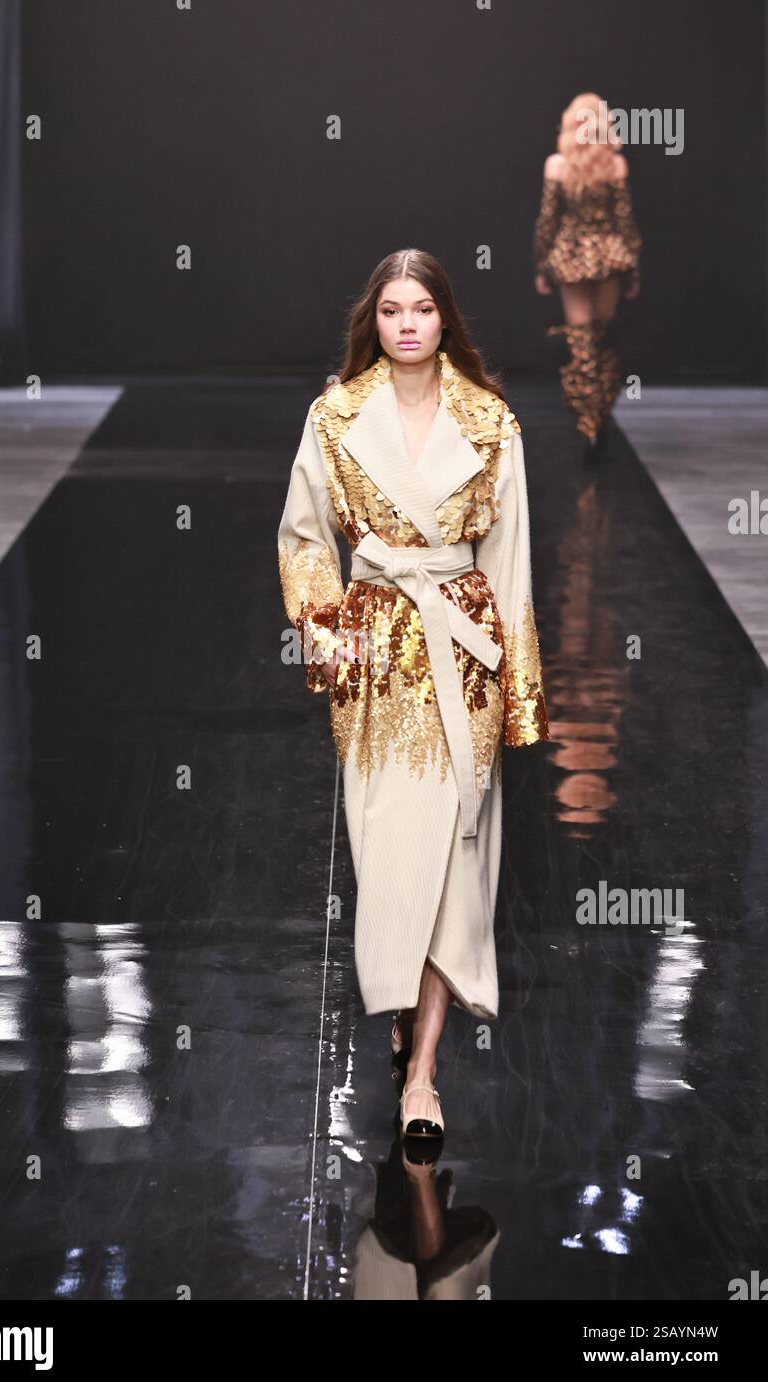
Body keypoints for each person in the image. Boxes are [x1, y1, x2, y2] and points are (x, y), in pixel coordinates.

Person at [277, 249, 549, 1141]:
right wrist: (331, 634)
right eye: (390, 309)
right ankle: (402, 1009)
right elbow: (304, 536)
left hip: (461, 656)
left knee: (456, 863)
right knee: (390, 853)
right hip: (378, 658)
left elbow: (511, 566)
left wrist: (519, 695)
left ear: (444, 321)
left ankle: (423, 1073)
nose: (405, 324)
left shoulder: (492, 422)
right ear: (375, 321)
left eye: (422, 309)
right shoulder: (335, 417)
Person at [533, 92, 642, 455]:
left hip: (573, 256)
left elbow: (547, 222)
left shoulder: (557, 165)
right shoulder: (615, 164)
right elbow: (625, 224)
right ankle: (603, 407)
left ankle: (587, 419)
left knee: (580, 338)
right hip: (609, 255)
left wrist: (542, 265)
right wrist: (633, 270)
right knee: (602, 334)